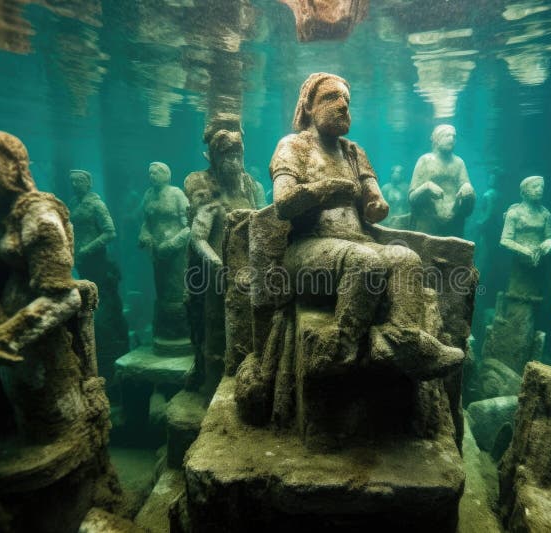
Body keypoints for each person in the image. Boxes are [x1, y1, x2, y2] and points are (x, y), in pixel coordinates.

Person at [0, 131, 118, 530]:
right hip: (5, 344)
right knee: (15, 416)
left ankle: (73, 508)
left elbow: (64, 296)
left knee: (53, 423)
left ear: (14, 166)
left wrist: (1, 337)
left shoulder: (38, 214)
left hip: (41, 349)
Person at [270, 72, 462, 379]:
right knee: (365, 262)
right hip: (307, 248)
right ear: (308, 106)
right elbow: (283, 204)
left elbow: (376, 205)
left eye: (346, 99)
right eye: (331, 97)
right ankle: (341, 350)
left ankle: (401, 342)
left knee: (406, 259)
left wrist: (376, 205)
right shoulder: (293, 146)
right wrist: (326, 189)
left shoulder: (353, 152)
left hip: (357, 241)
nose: (343, 105)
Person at [184, 128, 262, 392]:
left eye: (237, 155)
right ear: (215, 159)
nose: (233, 162)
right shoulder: (209, 193)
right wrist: (217, 265)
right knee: (217, 329)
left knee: (250, 327)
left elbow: (263, 221)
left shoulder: (250, 188)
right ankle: (214, 386)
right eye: (227, 156)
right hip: (218, 277)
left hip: (249, 274)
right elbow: (197, 238)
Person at [68, 169, 129, 372]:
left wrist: (88, 248)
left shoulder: (96, 204)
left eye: (79, 181)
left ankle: (108, 340)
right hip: (82, 262)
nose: (75, 184)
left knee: (102, 300)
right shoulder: (73, 203)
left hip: (98, 261)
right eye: (72, 181)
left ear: (88, 183)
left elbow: (110, 232)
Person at [138, 161, 190, 341]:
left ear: (166, 175)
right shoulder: (148, 195)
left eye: (156, 173)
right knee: (161, 288)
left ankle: (181, 330)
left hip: (176, 251)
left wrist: (173, 244)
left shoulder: (176, 194)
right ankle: (165, 329)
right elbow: (146, 222)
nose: (152, 176)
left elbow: (190, 225)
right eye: (150, 173)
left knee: (177, 288)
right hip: (156, 251)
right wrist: (144, 235)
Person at [408, 124, 476, 237]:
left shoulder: (459, 163)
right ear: (437, 139)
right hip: (427, 224)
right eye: (447, 135)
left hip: (454, 225)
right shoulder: (425, 160)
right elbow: (412, 198)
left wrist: (468, 189)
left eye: (454, 136)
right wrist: (426, 187)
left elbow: (468, 204)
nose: (452, 139)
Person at [500, 175, 551, 297]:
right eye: (535, 186)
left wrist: (548, 244)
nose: (539, 189)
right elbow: (505, 240)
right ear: (524, 191)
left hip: (539, 262)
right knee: (517, 297)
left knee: (535, 297)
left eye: (542, 187)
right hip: (519, 263)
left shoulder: (546, 214)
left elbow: (548, 237)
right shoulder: (514, 213)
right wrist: (525, 251)